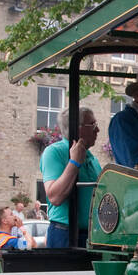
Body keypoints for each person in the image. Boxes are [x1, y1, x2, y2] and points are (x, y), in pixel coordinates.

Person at [40, 106, 102, 248]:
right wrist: (74, 163)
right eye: (93, 125)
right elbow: (55, 197)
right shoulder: (54, 152)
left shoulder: (92, 158)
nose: (97, 130)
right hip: (65, 234)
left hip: (92, 235)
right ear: (77, 128)